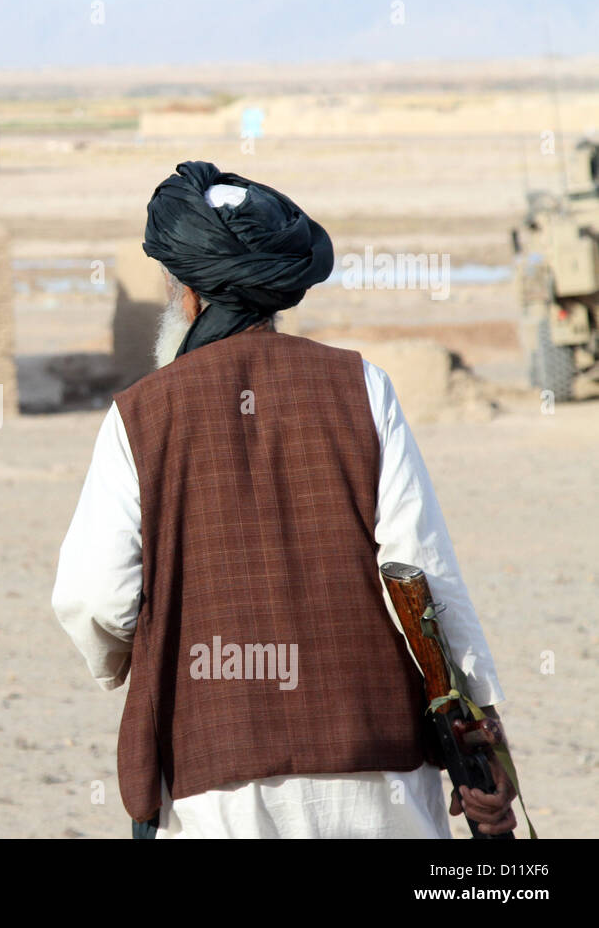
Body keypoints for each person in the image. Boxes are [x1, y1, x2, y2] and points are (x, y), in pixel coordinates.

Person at [51, 161, 517, 838]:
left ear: (186, 297)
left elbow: (95, 598)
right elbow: (420, 572)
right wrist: (480, 722)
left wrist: (128, 655)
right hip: (381, 767)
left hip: (218, 771)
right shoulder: (361, 385)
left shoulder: (140, 415)